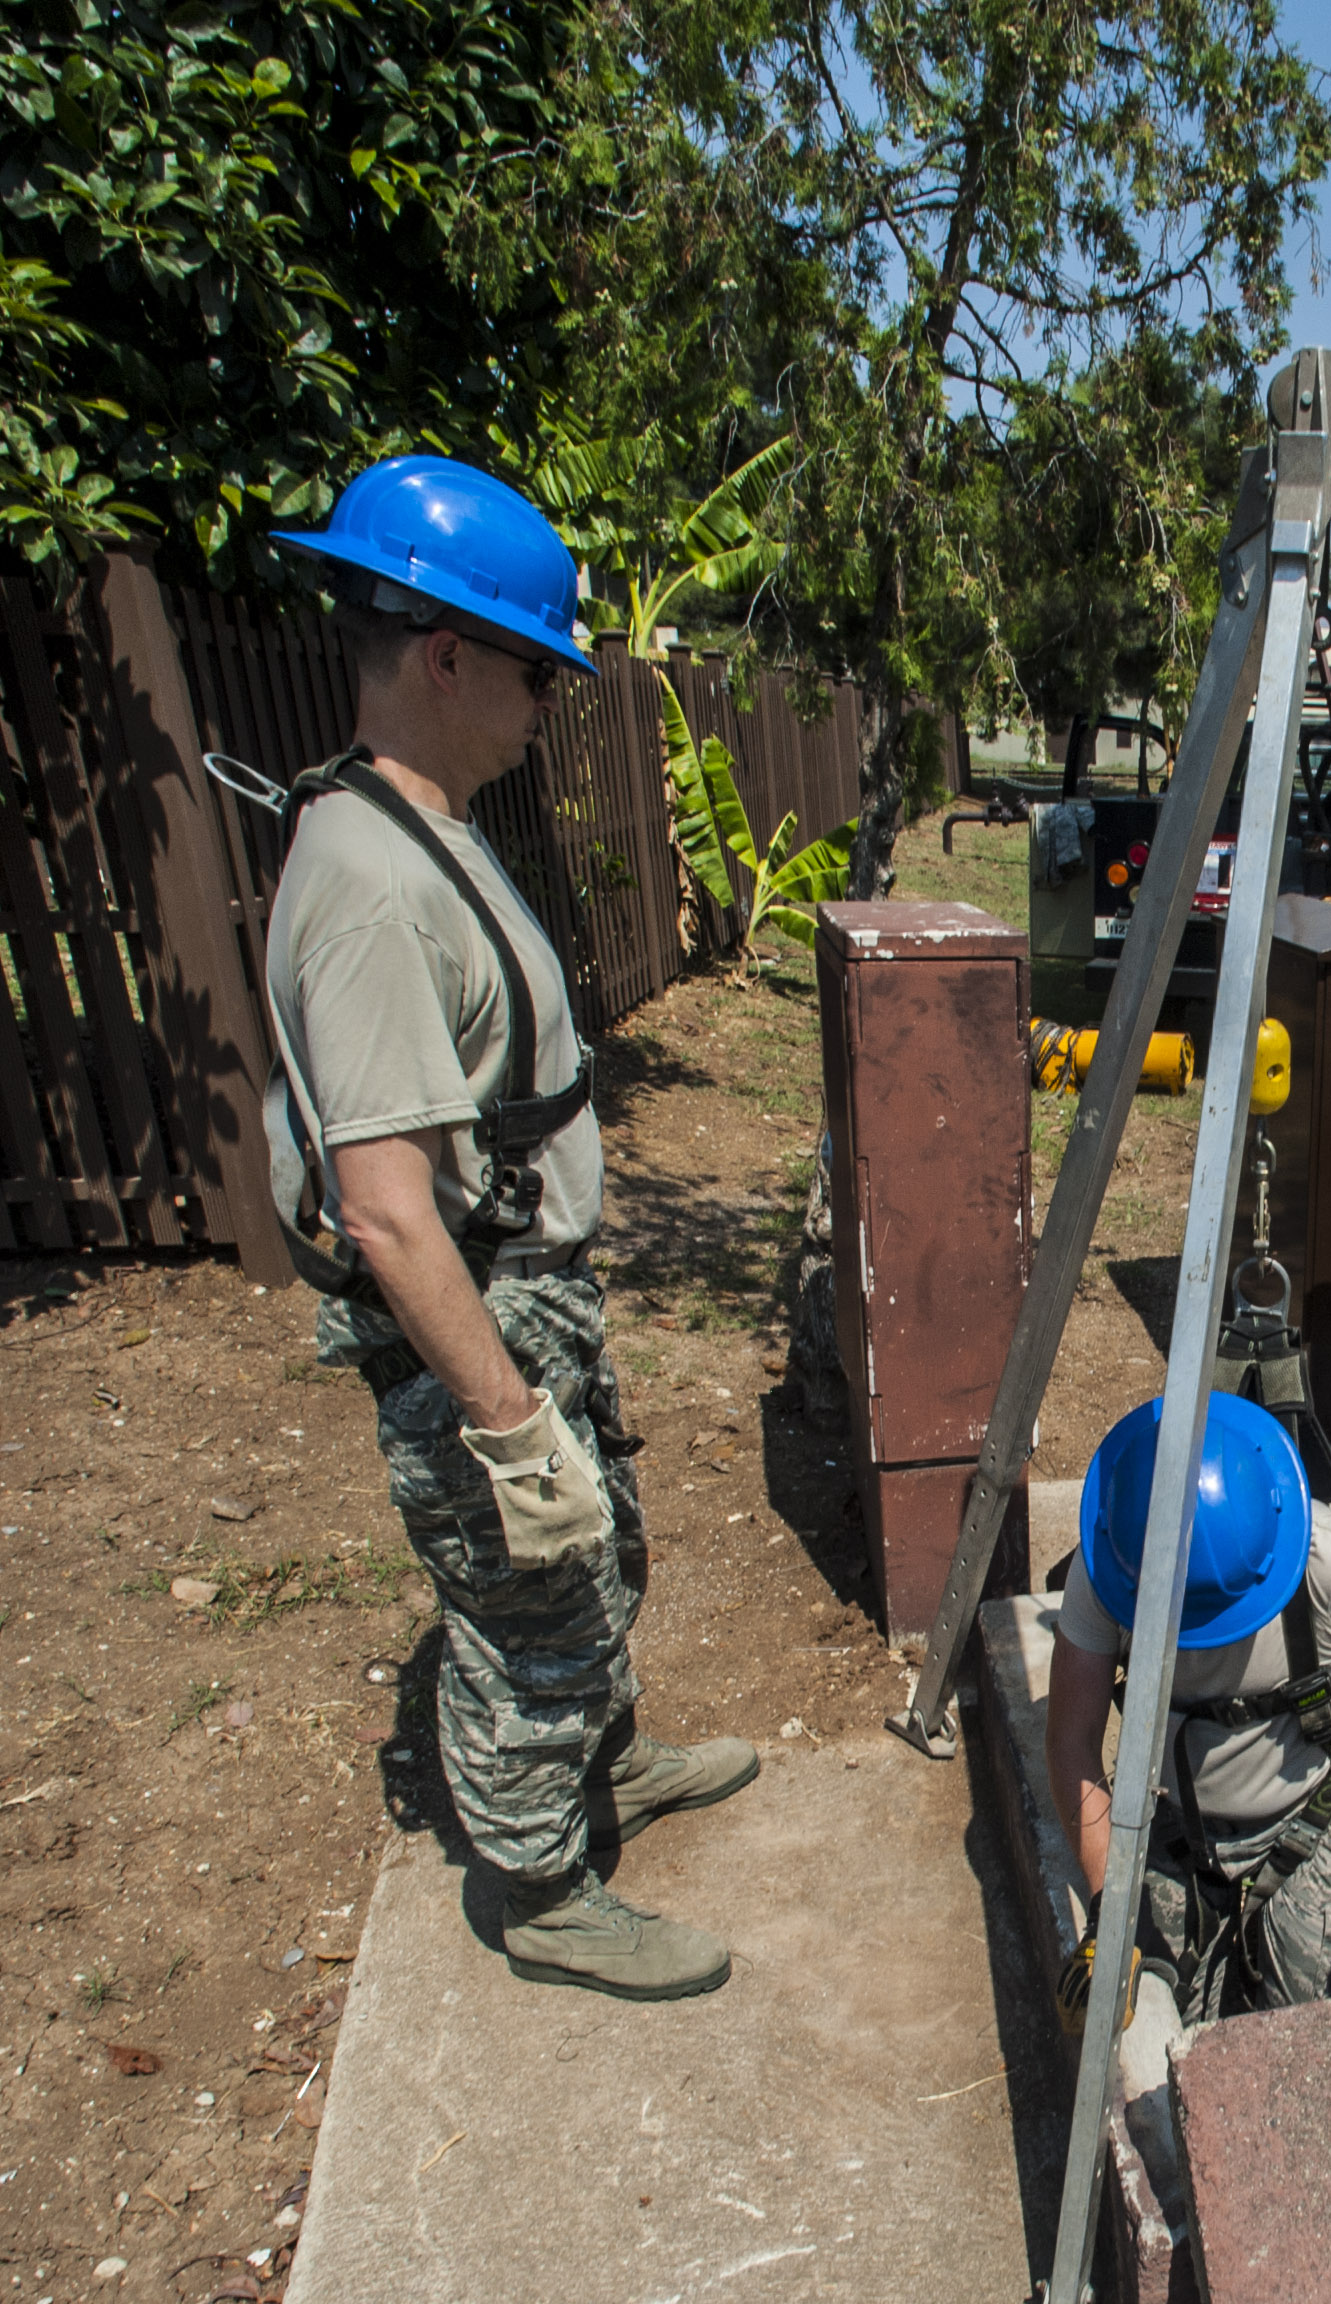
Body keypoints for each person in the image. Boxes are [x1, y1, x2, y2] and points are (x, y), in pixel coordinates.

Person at [264, 456, 753, 2000]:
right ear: (444, 653)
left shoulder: (425, 823)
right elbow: (386, 1208)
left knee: (597, 1556)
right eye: (537, 669)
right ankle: (540, 1885)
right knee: (528, 1582)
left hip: (532, 1284)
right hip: (474, 1300)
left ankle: (601, 1764)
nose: (552, 699)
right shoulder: (364, 886)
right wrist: (504, 1422)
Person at [1045, 1390, 1331, 2022]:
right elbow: (1071, 1740)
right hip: (1180, 1826)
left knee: (1319, 2038)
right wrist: (1111, 1903)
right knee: (1165, 2034)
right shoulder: (1115, 1566)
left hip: (1311, 1821)